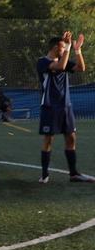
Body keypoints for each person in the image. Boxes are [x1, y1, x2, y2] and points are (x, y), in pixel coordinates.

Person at [37, 32, 92, 183]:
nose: (64, 49)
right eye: (62, 47)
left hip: (66, 106)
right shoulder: (42, 62)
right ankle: (44, 175)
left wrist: (77, 50)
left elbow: (81, 68)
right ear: (56, 47)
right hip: (49, 106)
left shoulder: (64, 60)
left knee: (71, 137)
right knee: (48, 139)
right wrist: (68, 47)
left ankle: (74, 174)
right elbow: (60, 67)